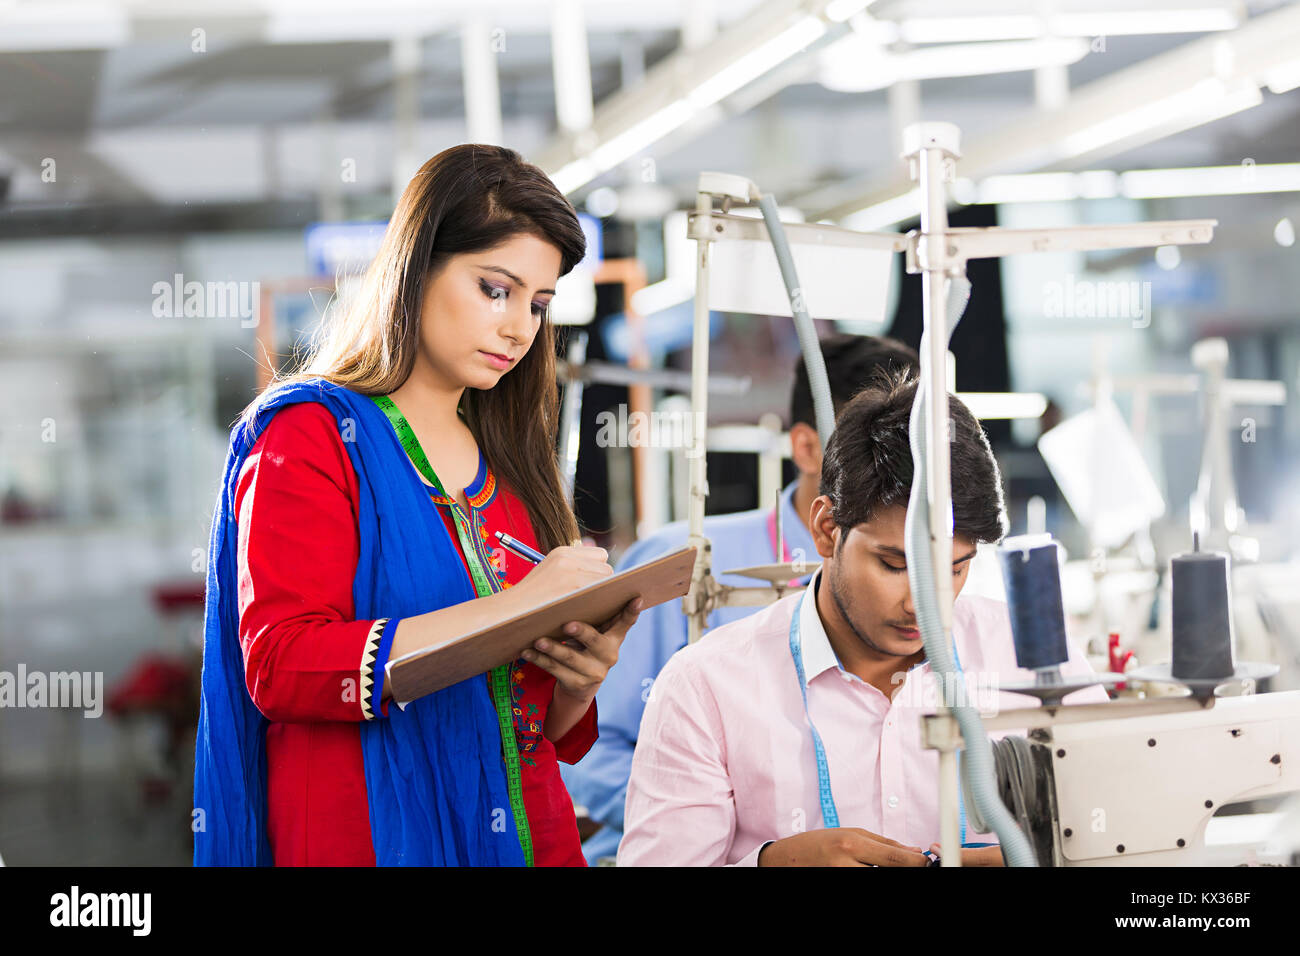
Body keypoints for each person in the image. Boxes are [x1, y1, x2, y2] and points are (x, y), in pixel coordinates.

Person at [194, 143, 642, 867]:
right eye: (495, 289)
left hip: (525, 836)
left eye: (539, 303)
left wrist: (577, 683)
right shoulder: (311, 434)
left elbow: (529, 720)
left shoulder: (511, 463)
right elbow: (282, 664)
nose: (519, 328)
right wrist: (514, 609)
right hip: (368, 836)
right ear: (416, 268)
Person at [618, 371, 1108, 866]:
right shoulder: (706, 688)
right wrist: (769, 865)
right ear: (827, 530)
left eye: (956, 568)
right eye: (896, 565)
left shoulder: (1034, 658)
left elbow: (1127, 838)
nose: (927, 605)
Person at [561, 334, 919, 863]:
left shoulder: (951, 595)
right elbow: (589, 749)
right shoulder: (681, 563)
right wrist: (711, 822)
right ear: (805, 448)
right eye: (873, 449)